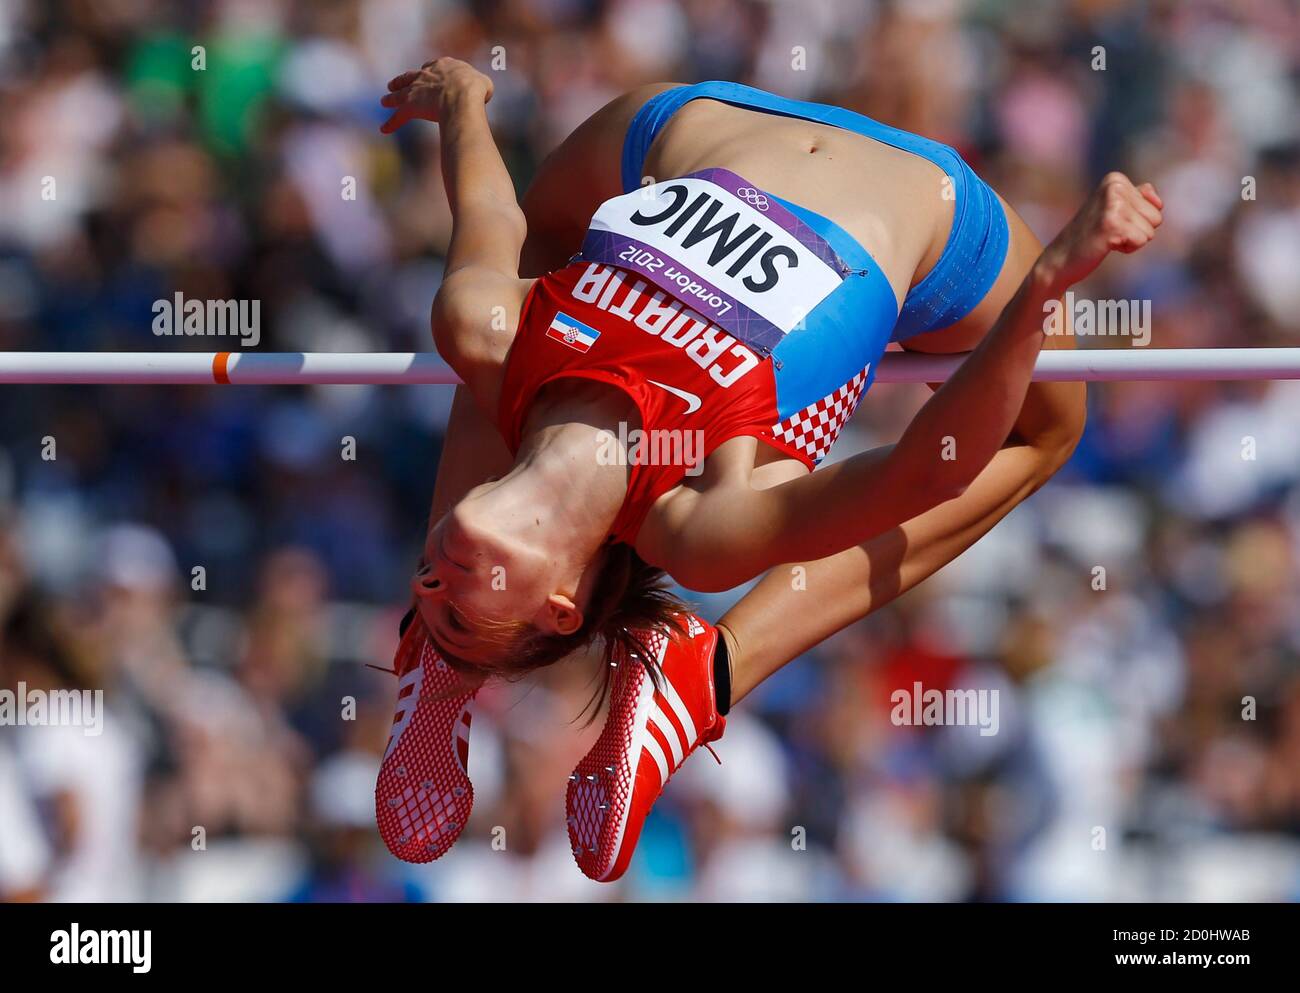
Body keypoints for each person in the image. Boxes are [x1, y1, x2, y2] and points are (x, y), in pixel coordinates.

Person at [372, 58, 1163, 877]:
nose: (432, 585)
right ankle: (707, 671)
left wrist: (465, 101)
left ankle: (442, 665)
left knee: (507, 298)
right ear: (563, 604)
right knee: (1045, 432)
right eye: (460, 616)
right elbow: (929, 471)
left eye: (423, 596)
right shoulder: (701, 520)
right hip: (924, 201)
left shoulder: (486, 332)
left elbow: (492, 209)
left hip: (691, 122)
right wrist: (1041, 290)